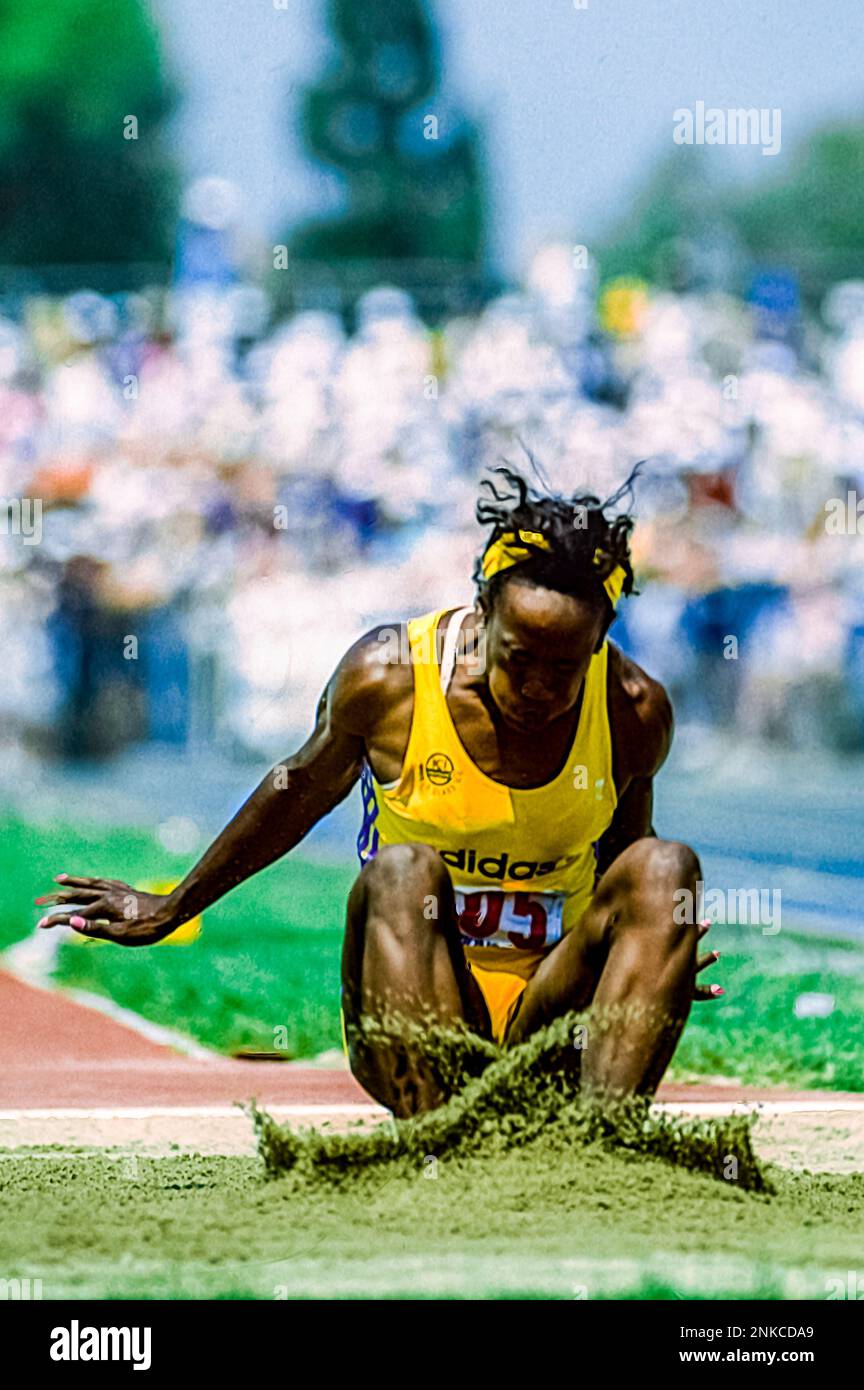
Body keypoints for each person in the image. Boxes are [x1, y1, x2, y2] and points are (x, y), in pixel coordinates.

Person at [36, 467, 721, 1116]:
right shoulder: (388, 680)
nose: (538, 687)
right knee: (402, 869)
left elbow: (628, 863)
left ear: (601, 639)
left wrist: (649, 953)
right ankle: (431, 1145)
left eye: (563, 668)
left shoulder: (633, 710)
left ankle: (606, 1146)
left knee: (668, 869)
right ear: (482, 612)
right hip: (411, 1009)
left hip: (551, 1016)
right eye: (518, 659)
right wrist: (172, 906)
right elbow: (296, 792)